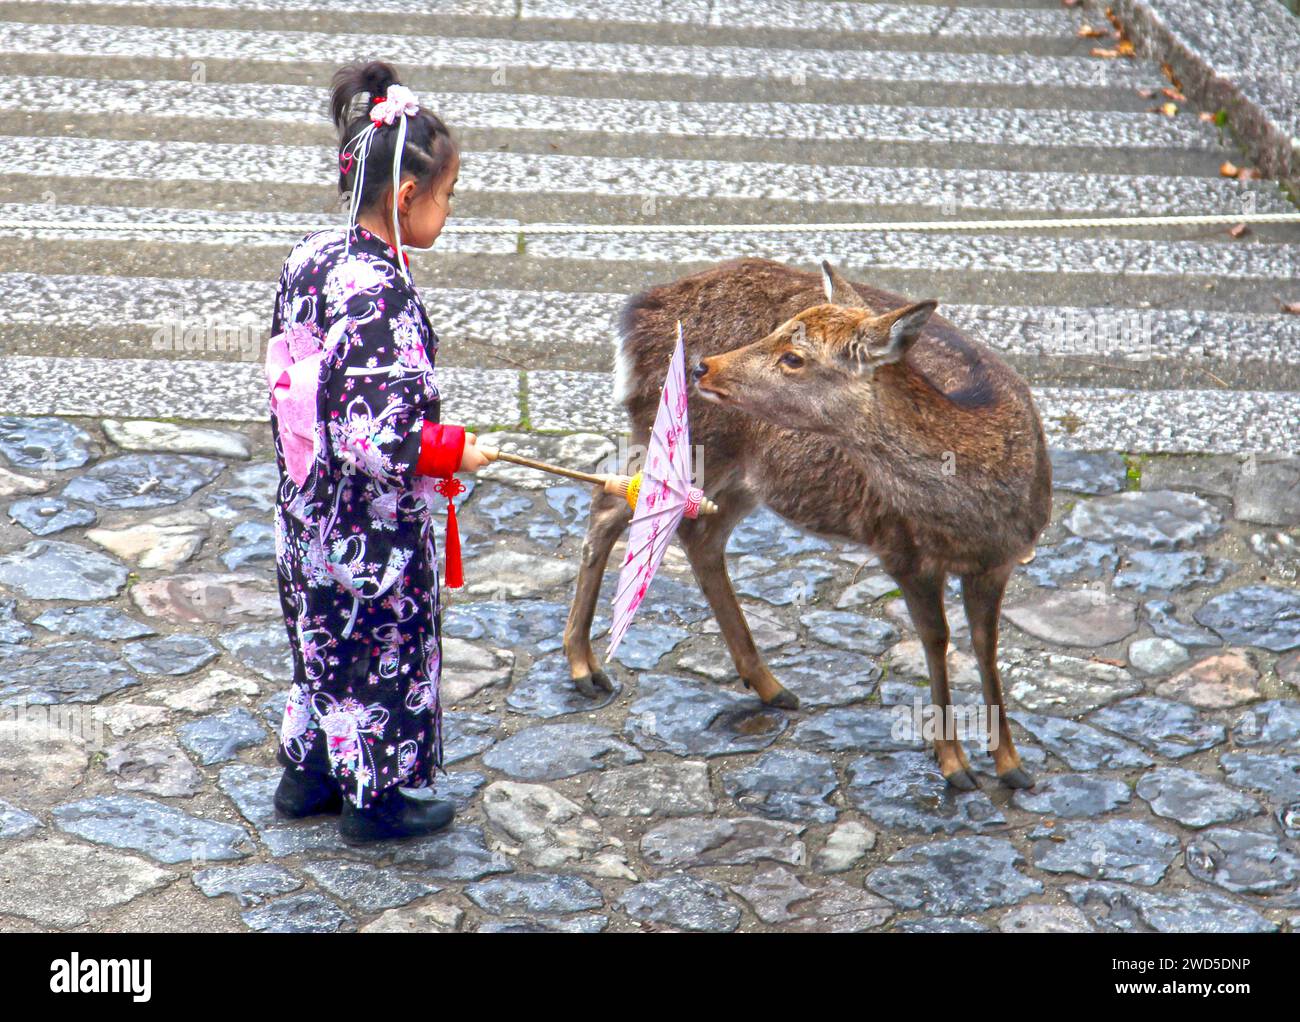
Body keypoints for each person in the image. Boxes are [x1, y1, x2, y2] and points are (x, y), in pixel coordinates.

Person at [265, 60, 489, 845]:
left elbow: (296, 373)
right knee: (379, 651)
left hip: (304, 506)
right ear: (405, 197)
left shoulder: (313, 254)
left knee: (320, 641)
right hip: (368, 527)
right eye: (447, 196)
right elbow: (378, 439)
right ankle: (378, 797)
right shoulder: (380, 293)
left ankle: (310, 771)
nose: (450, 210)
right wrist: (458, 450)